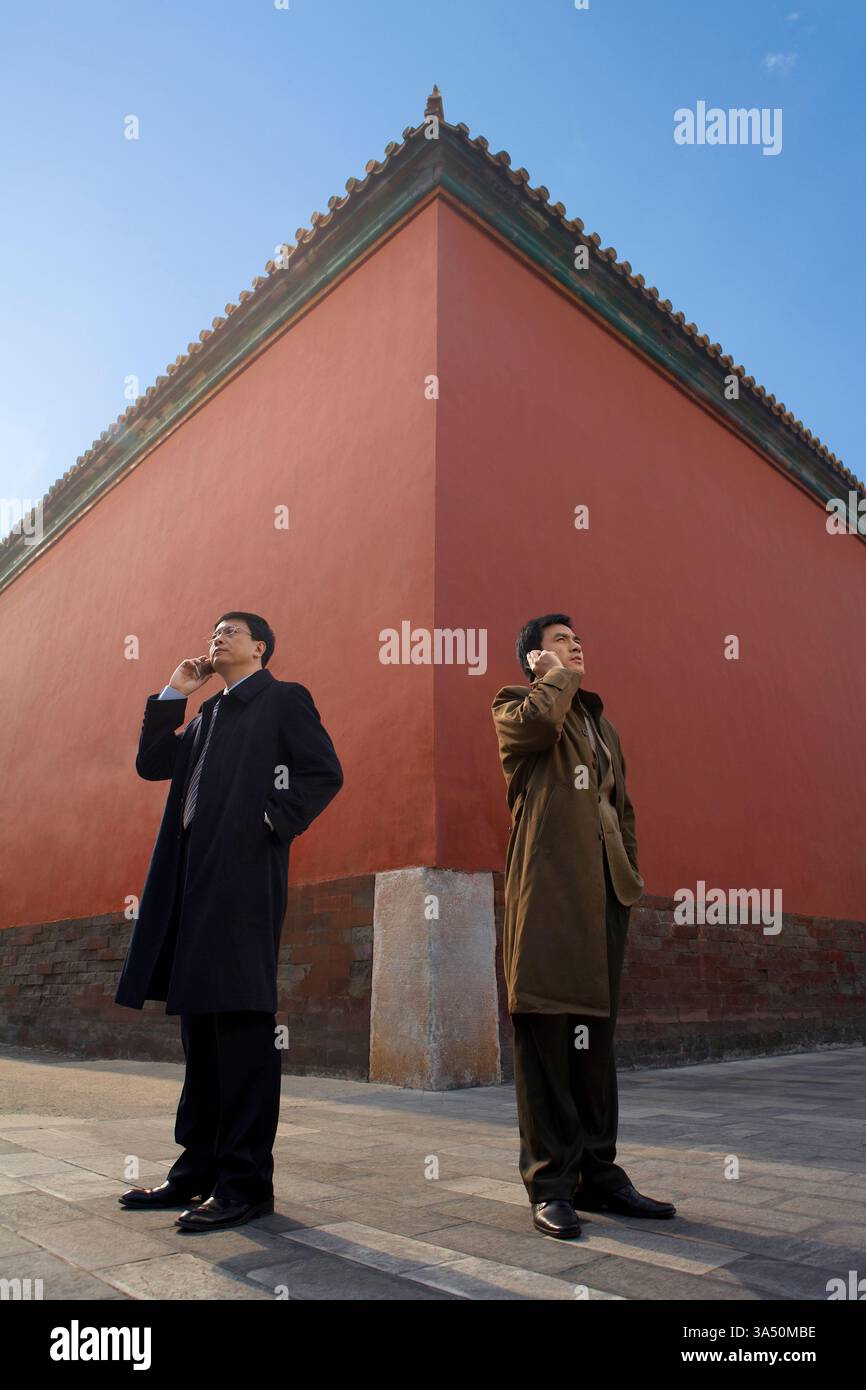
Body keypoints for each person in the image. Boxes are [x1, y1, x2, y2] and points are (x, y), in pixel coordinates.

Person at [115, 611, 343, 1231]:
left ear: (260, 647)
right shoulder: (206, 716)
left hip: (242, 879)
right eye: (213, 632)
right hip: (190, 879)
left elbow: (324, 771)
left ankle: (245, 1183)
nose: (217, 638)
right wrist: (173, 695)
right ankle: (197, 1169)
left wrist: (271, 822)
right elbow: (152, 764)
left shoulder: (282, 700)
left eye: (231, 632)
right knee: (200, 1026)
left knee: (241, 1024)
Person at [491, 613, 675, 1238]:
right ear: (534, 660)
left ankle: (599, 1173)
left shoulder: (603, 726)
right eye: (561, 642)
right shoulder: (516, 704)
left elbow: (622, 805)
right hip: (548, 892)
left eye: (578, 640)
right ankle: (550, 1183)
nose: (576, 647)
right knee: (545, 1027)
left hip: (604, 896)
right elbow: (539, 726)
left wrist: (628, 869)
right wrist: (555, 680)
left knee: (594, 1038)